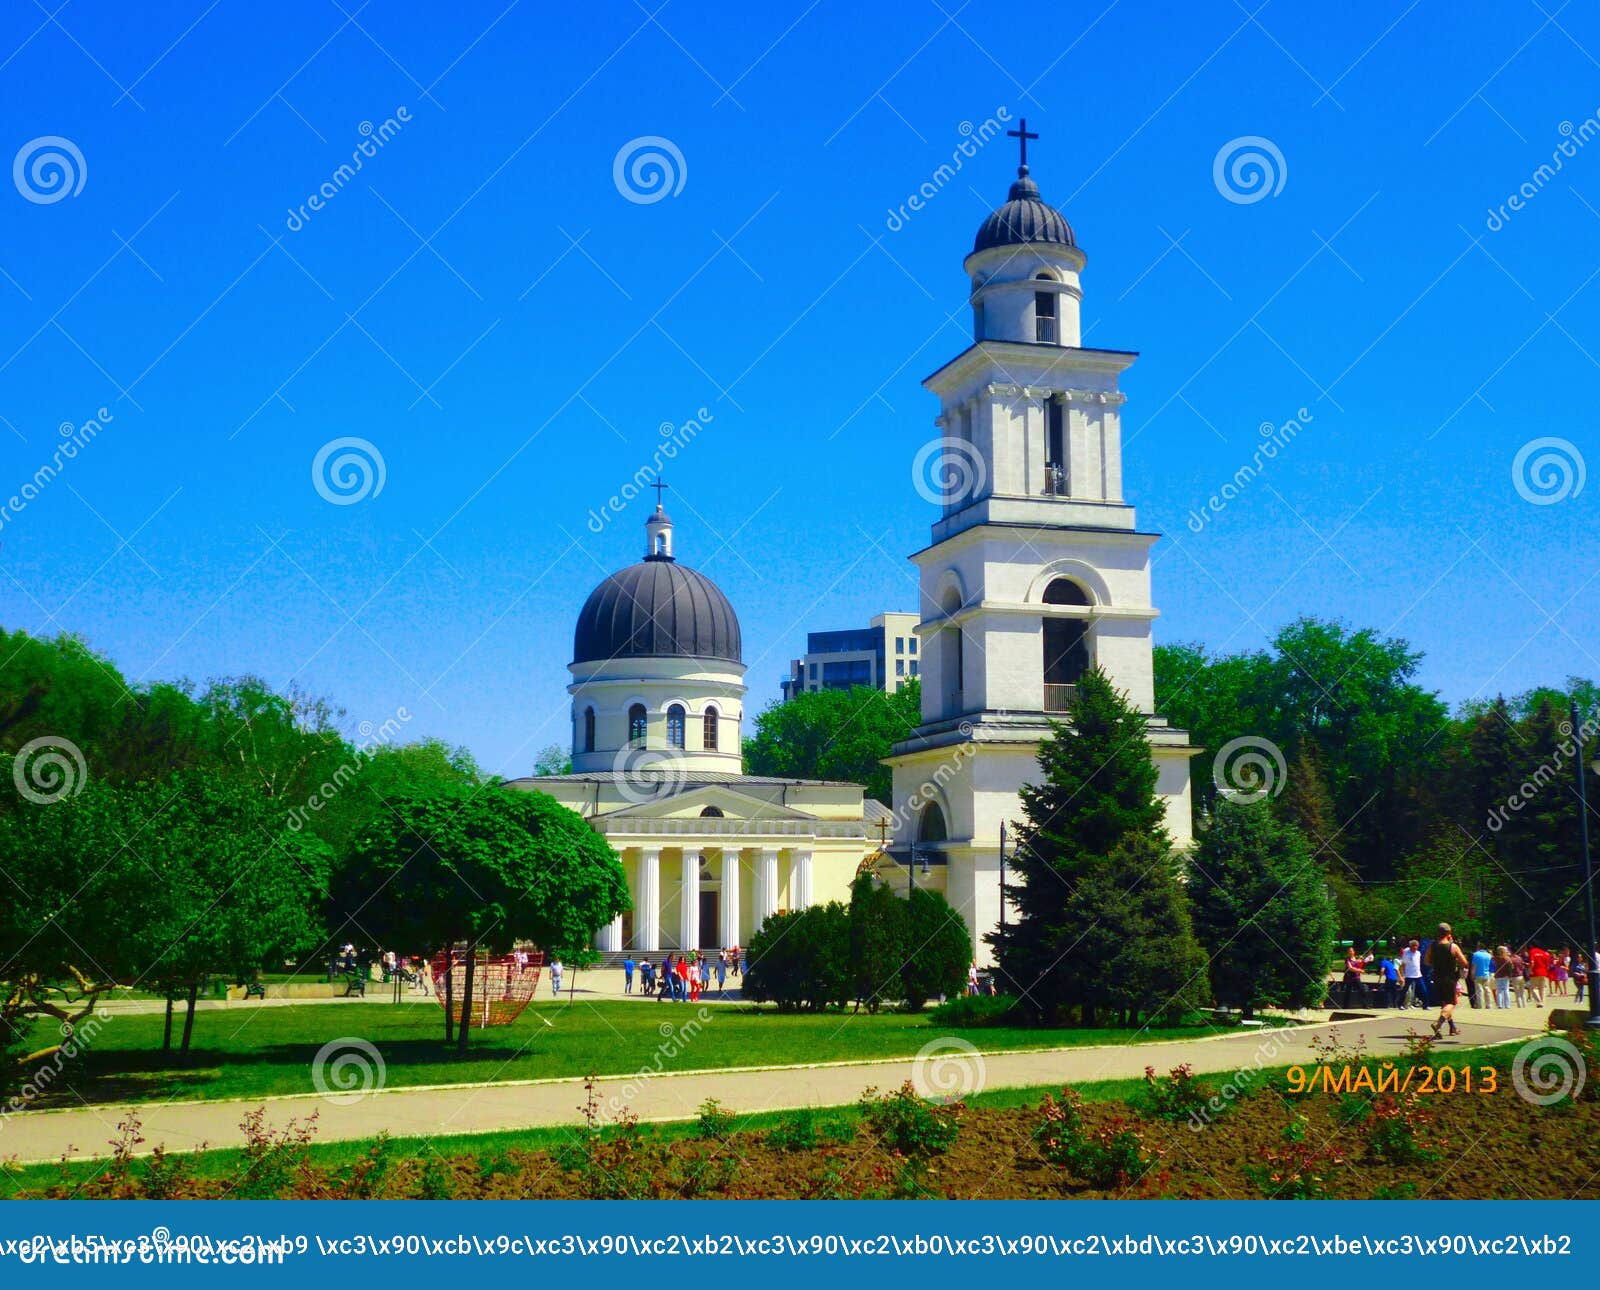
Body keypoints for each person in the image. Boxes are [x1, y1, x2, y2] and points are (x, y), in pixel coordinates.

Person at [1428, 923, 1469, 1038]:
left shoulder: (1432, 946)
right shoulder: (1453, 947)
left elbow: (1427, 961)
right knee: (1451, 1003)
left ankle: (1452, 1027)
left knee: (1445, 1004)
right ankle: (1438, 1023)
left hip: (1436, 977)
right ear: (1449, 933)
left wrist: (1437, 962)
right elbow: (1464, 962)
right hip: (1449, 978)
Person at [1401, 939, 1425, 1009]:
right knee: (1406, 990)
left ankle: (1414, 1003)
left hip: (1417, 974)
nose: (1415, 947)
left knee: (1417, 990)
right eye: (1414, 946)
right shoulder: (1407, 953)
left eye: (1416, 946)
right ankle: (1402, 1004)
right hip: (1409, 975)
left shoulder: (1418, 953)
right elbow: (1403, 964)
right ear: (1411, 946)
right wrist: (1404, 973)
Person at [1470, 943, 1495, 1010]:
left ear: (1478, 947)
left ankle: (1480, 1005)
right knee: (1487, 990)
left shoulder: (1475, 954)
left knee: (1479, 990)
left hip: (1478, 974)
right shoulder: (1488, 955)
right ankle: (1489, 1005)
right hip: (1486, 974)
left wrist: (1472, 974)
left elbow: (1474, 965)